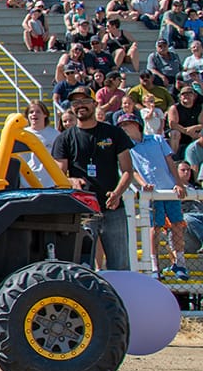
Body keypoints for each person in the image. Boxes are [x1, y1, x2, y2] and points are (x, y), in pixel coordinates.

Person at [53, 85, 134, 270]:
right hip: (82, 211)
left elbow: (128, 170)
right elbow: (58, 175)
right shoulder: (64, 138)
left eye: (85, 101)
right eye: (75, 103)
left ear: (95, 103)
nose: (80, 105)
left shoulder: (114, 133)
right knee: (82, 265)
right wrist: (71, 181)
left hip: (113, 209)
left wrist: (118, 193)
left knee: (120, 266)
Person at [118, 112, 189, 279]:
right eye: (121, 126)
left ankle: (180, 263)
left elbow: (170, 162)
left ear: (136, 124)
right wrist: (143, 184)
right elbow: (132, 171)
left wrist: (178, 183)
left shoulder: (157, 139)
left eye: (126, 124)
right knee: (154, 228)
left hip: (169, 189)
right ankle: (154, 266)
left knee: (177, 224)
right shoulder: (126, 148)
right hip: (152, 194)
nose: (124, 128)